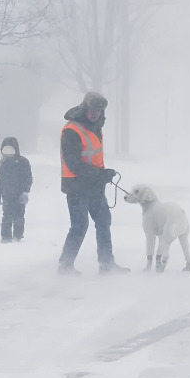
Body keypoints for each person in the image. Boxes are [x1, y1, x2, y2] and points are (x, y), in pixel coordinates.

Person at [57, 91, 129, 275]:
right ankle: (65, 266)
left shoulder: (94, 127)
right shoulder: (71, 131)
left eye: (99, 110)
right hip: (76, 185)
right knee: (79, 226)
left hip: (94, 185)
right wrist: (99, 174)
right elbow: (73, 163)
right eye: (92, 110)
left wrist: (102, 174)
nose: (95, 113)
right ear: (84, 108)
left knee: (104, 221)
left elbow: (91, 157)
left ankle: (106, 263)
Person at [0, 136, 32, 243]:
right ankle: (6, 237)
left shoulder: (23, 162)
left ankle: (18, 235)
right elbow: (0, 179)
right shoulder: (3, 163)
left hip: (19, 194)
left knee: (19, 216)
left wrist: (25, 191)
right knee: (6, 216)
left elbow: (28, 178)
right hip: (6, 194)